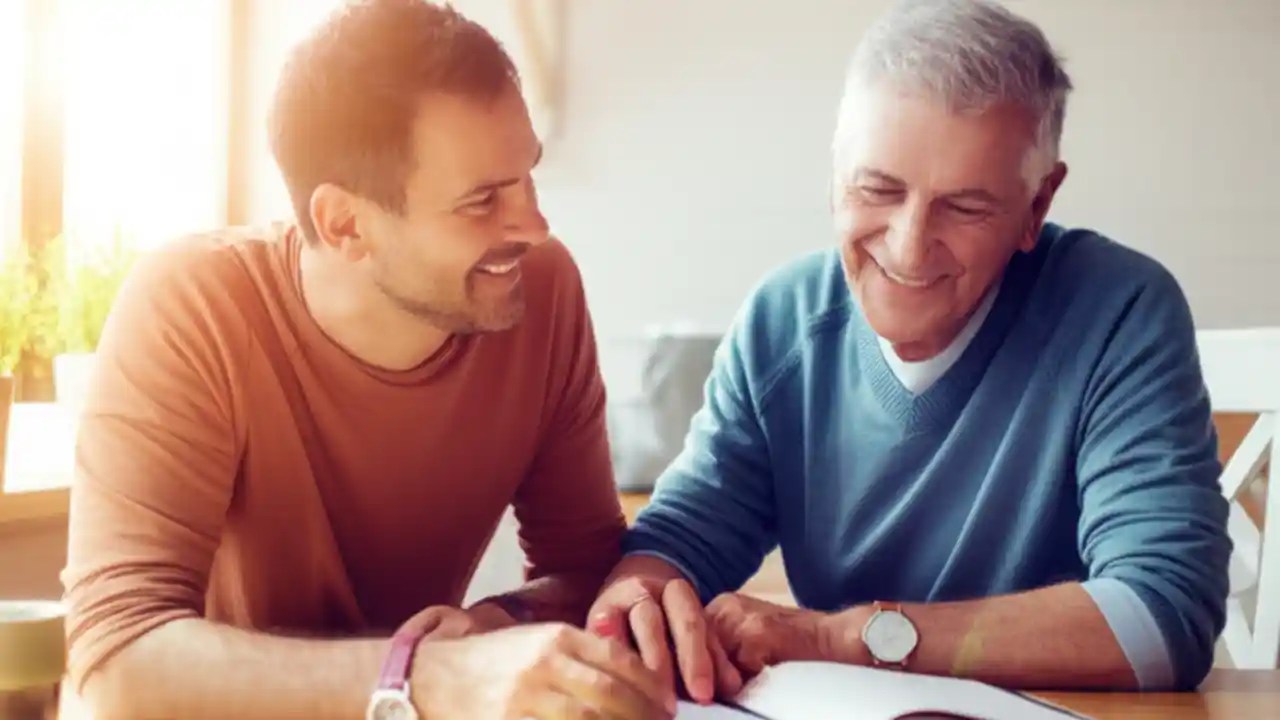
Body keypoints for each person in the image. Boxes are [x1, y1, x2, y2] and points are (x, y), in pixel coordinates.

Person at [589, 0, 1231, 705]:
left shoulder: (1119, 312)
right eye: (877, 189)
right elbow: (677, 541)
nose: (907, 246)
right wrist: (639, 605)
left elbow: (1162, 618)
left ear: (1037, 204)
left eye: (965, 207)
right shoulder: (781, 322)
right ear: (834, 173)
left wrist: (843, 638)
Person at [61, 2, 672, 719]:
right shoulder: (193, 303)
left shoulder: (542, 287)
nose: (534, 227)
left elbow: (587, 567)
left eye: (527, 178)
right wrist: (422, 677)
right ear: (345, 224)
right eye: (482, 201)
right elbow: (115, 660)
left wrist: (492, 627)